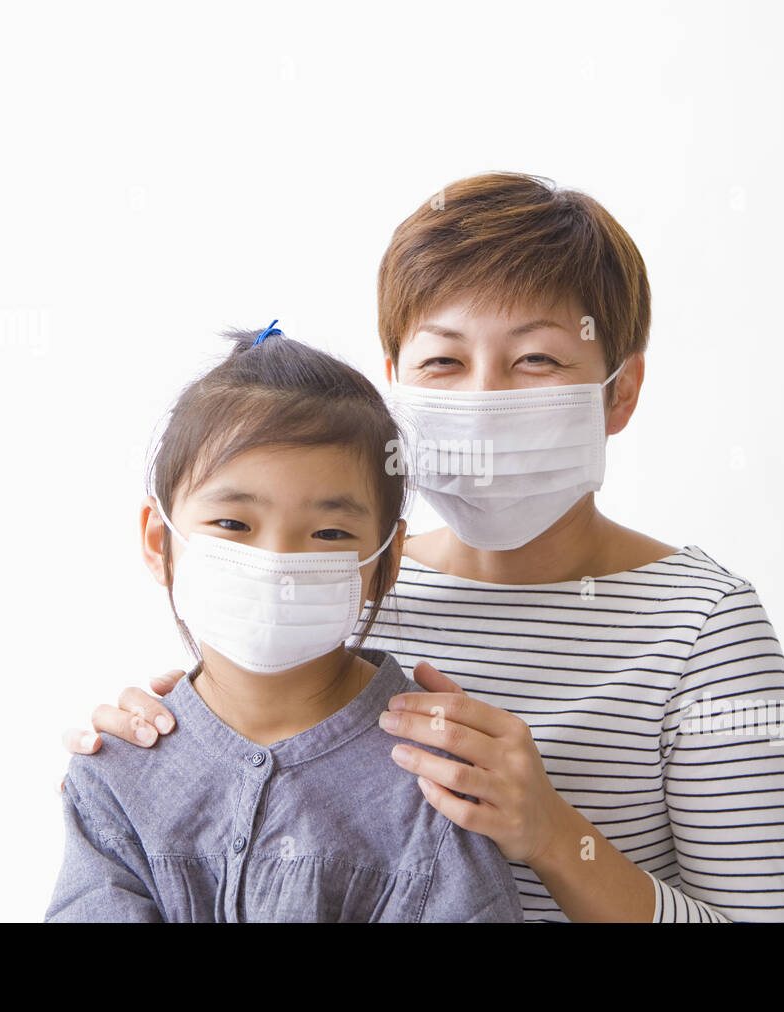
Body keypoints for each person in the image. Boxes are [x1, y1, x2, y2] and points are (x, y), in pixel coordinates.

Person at [65, 174, 784, 923]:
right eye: (444, 362)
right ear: (394, 389)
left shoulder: (705, 626)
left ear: (620, 390)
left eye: (537, 360)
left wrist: (549, 832)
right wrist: (155, 748)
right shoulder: (338, 579)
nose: (483, 400)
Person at [45, 325, 523, 922]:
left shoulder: (435, 783)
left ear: (385, 562)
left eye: (329, 534)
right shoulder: (116, 772)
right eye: (232, 524)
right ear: (156, 537)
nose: (278, 562)